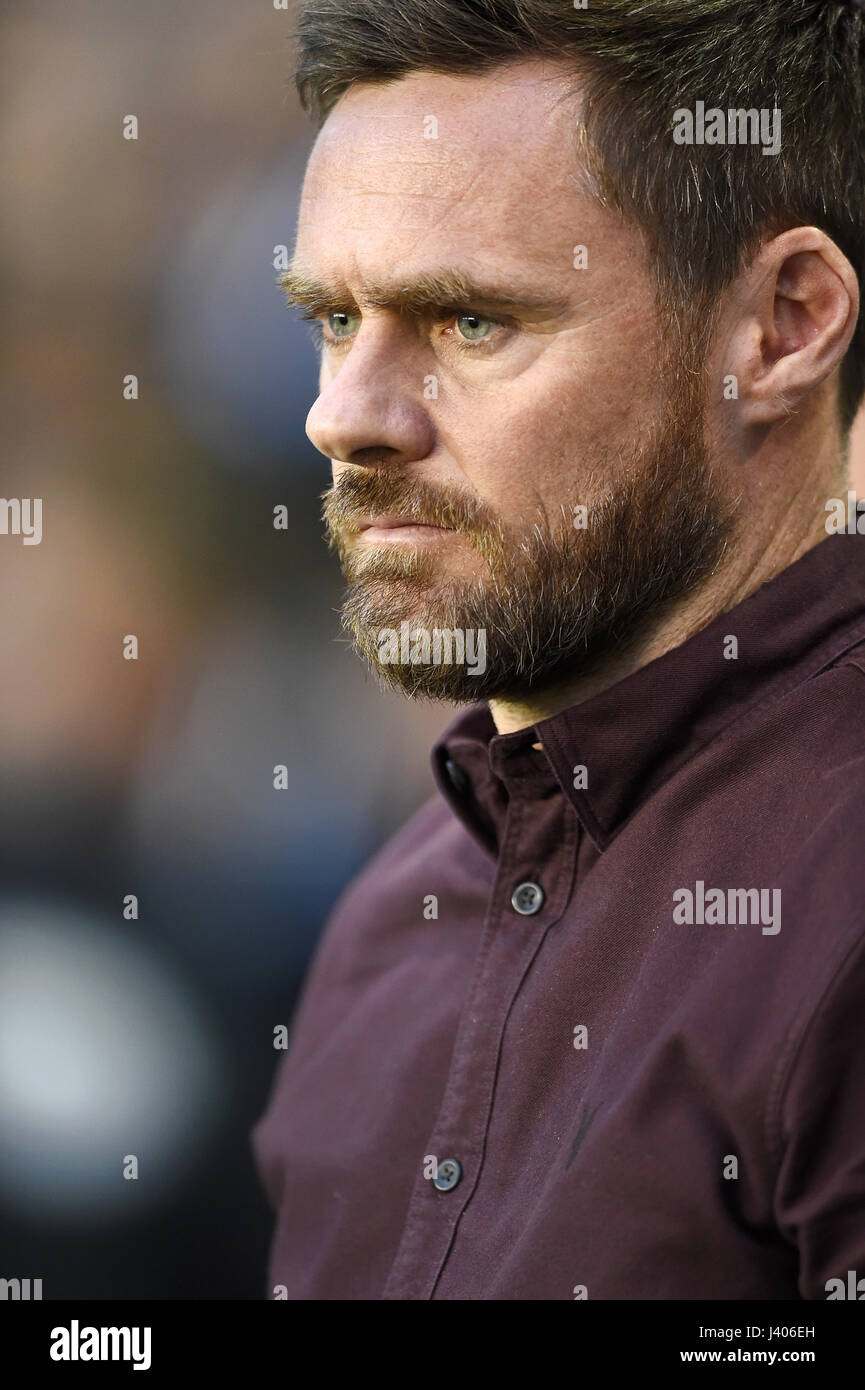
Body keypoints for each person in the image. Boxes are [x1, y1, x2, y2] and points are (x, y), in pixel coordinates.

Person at [252, 0, 865, 1299]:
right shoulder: (390, 911)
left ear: (780, 325)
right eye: (330, 319)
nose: (341, 416)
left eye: (471, 322)